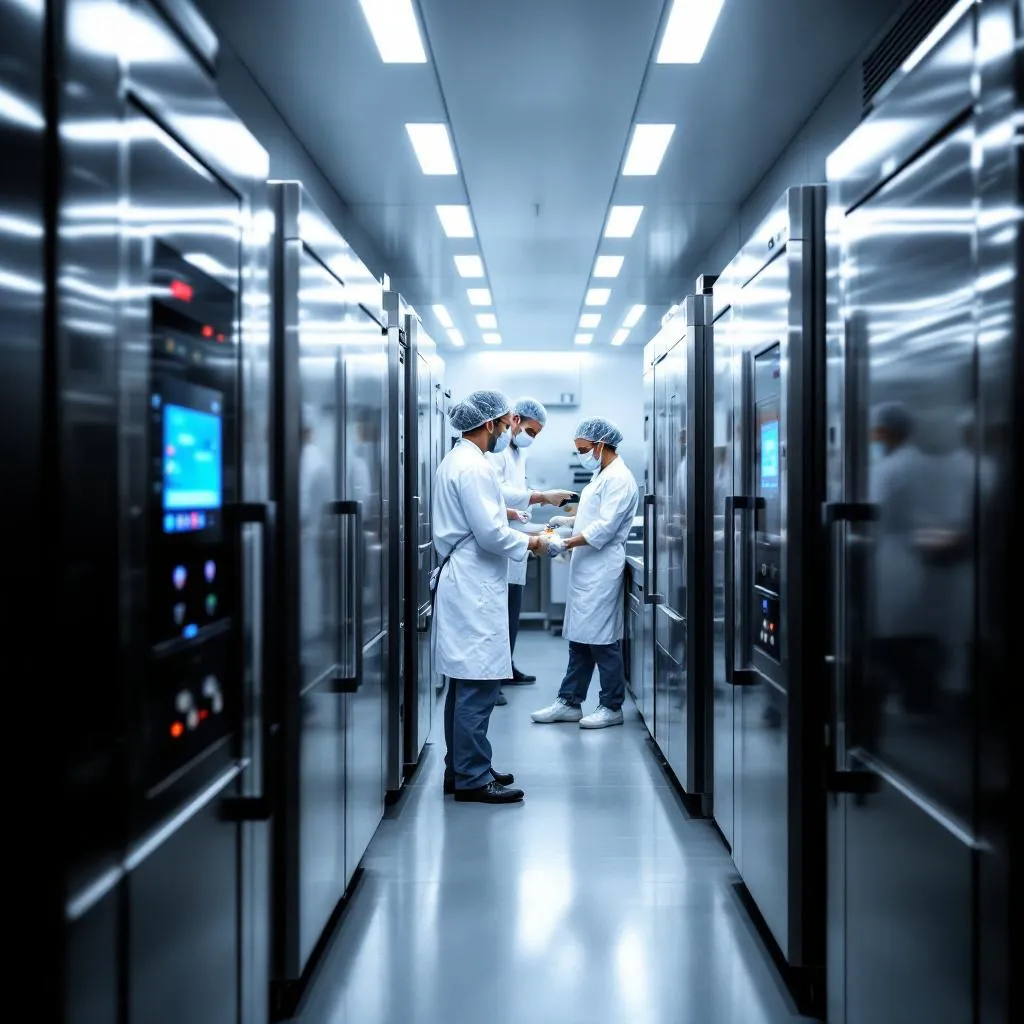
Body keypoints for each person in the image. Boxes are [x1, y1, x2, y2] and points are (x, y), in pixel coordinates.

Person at [434, 389, 551, 803]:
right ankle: (472, 776)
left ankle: (463, 767)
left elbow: (486, 520)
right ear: (490, 424)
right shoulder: (475, 466)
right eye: (505, 424)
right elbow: (490, 533)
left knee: (465, 682)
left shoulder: (459, 460)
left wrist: (521, 531)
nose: (507, 432)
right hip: (473, 584)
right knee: (479, 683)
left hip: (467, 578)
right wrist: (534, 542)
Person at [531, 417, 639, 729]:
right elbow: (593, 516)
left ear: (601, 444)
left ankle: (611, 705)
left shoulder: (620, 478)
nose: (581, 454)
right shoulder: (602, 474)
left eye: (583, 449)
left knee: (603, 641)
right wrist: (567, 523)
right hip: (587, 567)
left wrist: (563, 543)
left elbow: (604, 529)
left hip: (602, 566)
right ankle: (569, 702)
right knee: (579, 639)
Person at [487, 396, 575, 705]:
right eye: (530, 430)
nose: (531, 438)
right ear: (513, 420)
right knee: (497, 617)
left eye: (536, 434)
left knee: (511, 614)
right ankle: (491, 680)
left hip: (513, 542)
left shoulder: (518, 453)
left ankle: (506, 668)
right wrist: (541, 497)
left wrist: (527, 515)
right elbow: (497, 492)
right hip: (499, 546)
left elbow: (515, 494)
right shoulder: (496, 452)